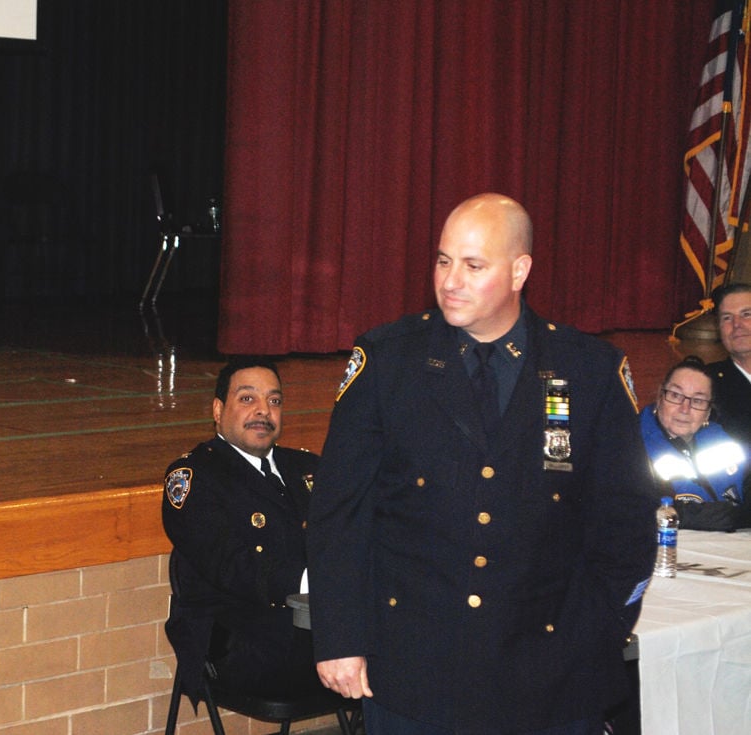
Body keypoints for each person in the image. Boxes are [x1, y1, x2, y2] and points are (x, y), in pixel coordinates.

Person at [307, 193, 657, 734]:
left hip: (549, 674)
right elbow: (339, 512)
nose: (450, 281)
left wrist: (595, 632)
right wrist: (340, 637)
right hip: (414, 670)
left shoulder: (589, 370)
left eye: (473, 265)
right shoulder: (389, 361)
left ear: (519, 271)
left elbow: (626, 524)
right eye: (443, 260)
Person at [162, 356, 323, 704]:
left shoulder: (307, 468)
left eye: (274, 401)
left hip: (310, 625)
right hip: (237, 641)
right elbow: (233, 566)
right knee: (385, 649)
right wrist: (321, 583)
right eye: (247, 398)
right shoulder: (196, 477)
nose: (263, 410)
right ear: (218, 410)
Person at [642, 355, 750, 531]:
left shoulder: (721, 439)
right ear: (660, 396)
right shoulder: (631, 442)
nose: (685, 409)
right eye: (676, 395)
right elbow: (646, 508)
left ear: (708, 411)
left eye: (698, 401)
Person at [707, 282, 751, 448]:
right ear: (718, 328)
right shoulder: (705, 384)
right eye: (727, 318)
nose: (737, 324)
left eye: (746, 314)